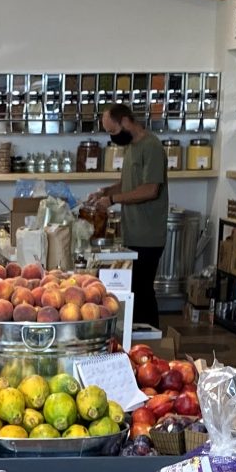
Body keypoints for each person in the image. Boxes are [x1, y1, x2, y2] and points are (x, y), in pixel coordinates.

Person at [92, 102, 167, 328]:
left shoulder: (151, 146)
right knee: (135, 290)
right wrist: (105, 192)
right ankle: (137, 340)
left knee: (142, 291)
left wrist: (113, 200)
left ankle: (152, 341)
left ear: (125, 121)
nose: (112, 137)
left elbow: (150, 189)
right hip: (132, 234)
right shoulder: (132, 147)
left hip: (148, 235)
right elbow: (128, 184)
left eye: (113, 131)